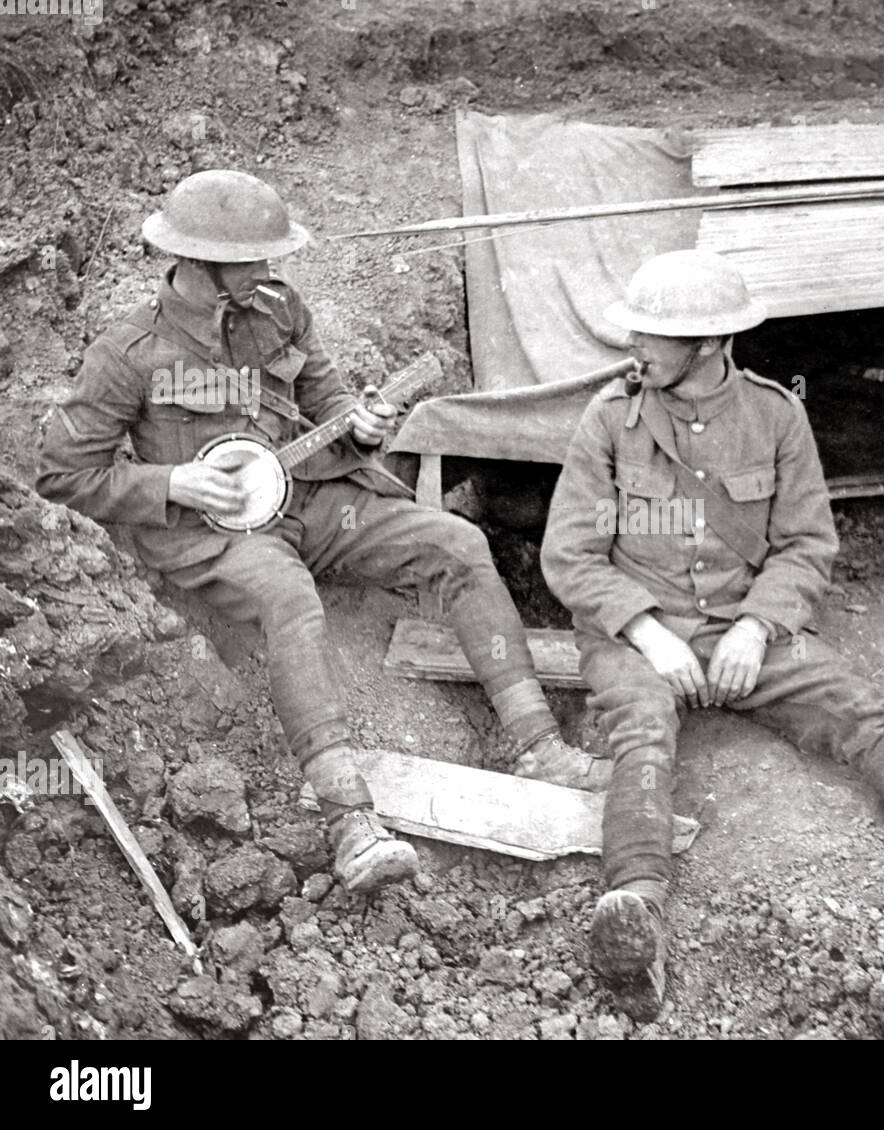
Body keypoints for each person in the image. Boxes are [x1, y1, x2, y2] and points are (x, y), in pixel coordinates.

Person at [541, 249, 884, 1016]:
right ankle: (639, 926)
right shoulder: (609, 420)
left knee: (860, 714)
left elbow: (807, 546)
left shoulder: (776, 416)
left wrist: (755, 626)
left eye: (653, 336)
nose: (634, 347)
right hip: (640, 633)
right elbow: (568, 554)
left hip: (747, 627)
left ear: (709, 344)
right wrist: (646, 632)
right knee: (641, 732)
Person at [37, 170, 605, 895]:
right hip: (209, 531)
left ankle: (538, 745)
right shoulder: (128, 354)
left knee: (456, 545)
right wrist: (169, 484)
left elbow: (327, 397)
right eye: (255, 261)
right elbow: (60, 477)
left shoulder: (279, 311)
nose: (271, 271)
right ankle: (349, 821)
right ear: (201, 265)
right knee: (288, 596)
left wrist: (364, 427)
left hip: (308, 499)